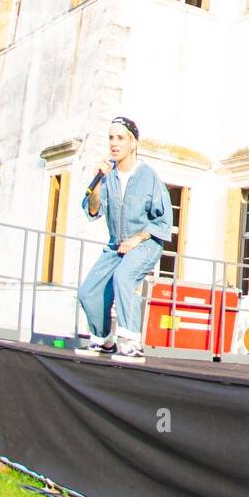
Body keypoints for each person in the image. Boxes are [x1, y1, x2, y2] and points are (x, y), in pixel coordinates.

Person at [75, 117, 172, 362]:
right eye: (111, 138)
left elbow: (163, 221)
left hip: (145, 243)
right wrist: (97, 182)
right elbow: (93, 210)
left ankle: (131, 342)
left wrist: (137, 240)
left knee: (124, 277)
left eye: (120, 138)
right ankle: (103, 339)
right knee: (88, 291)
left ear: (133, 143)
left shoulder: (148, 176)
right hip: (116, 244)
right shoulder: (106, 176)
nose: (114, 144)